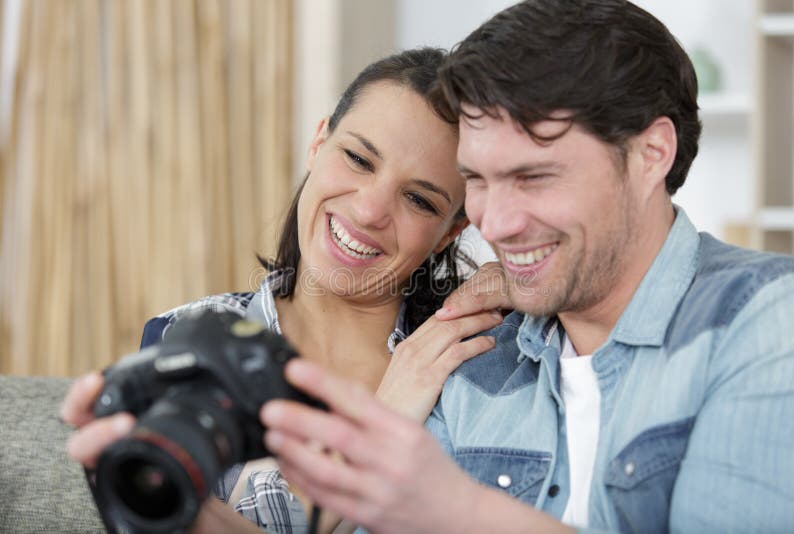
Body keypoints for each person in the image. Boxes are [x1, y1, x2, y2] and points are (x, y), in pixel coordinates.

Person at [252, 1, 794, 532]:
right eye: (478, 181)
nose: (494, 224)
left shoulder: (763, 321)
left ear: (650, 154)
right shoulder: (475, 360)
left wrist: (458, 511)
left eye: (534, 177)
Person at [61, 48, 508, 533]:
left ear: (449, 232)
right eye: (359, 159)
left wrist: (522, 281)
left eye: (418, 199)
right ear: (318, 143)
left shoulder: (473, 362)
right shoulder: (185, 335)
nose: (369, 211)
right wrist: (387, 416)